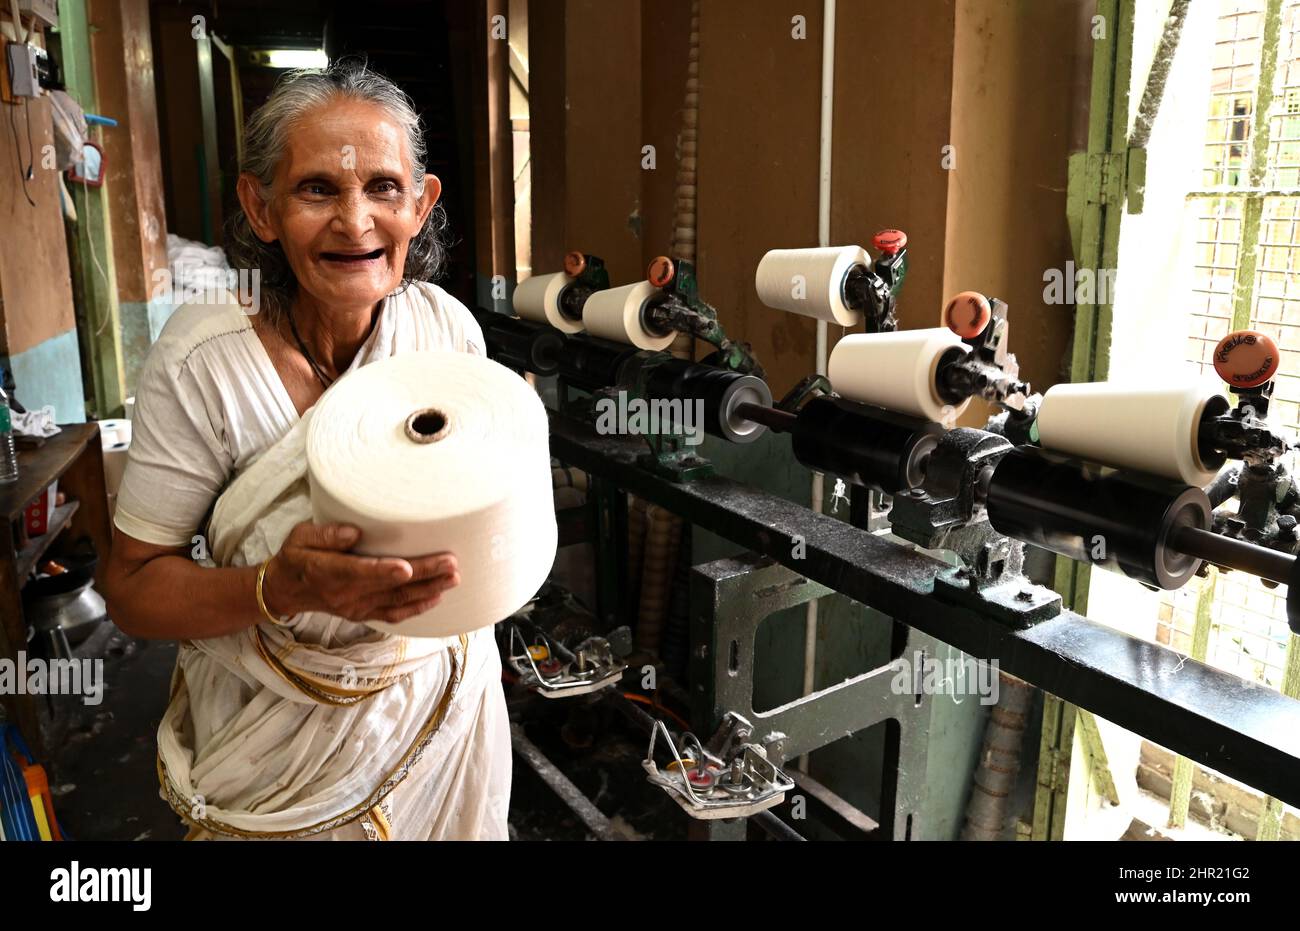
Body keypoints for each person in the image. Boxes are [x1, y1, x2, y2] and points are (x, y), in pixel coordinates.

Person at [101, 60, 510, 840]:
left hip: (438, 716)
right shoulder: (204, 364)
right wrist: (275, 589)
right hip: (276, 751)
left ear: (421, 206)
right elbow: (130, 588)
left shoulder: (446, 334)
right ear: (260, 208)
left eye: (384, 187)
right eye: (317, 189)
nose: (356, 223)